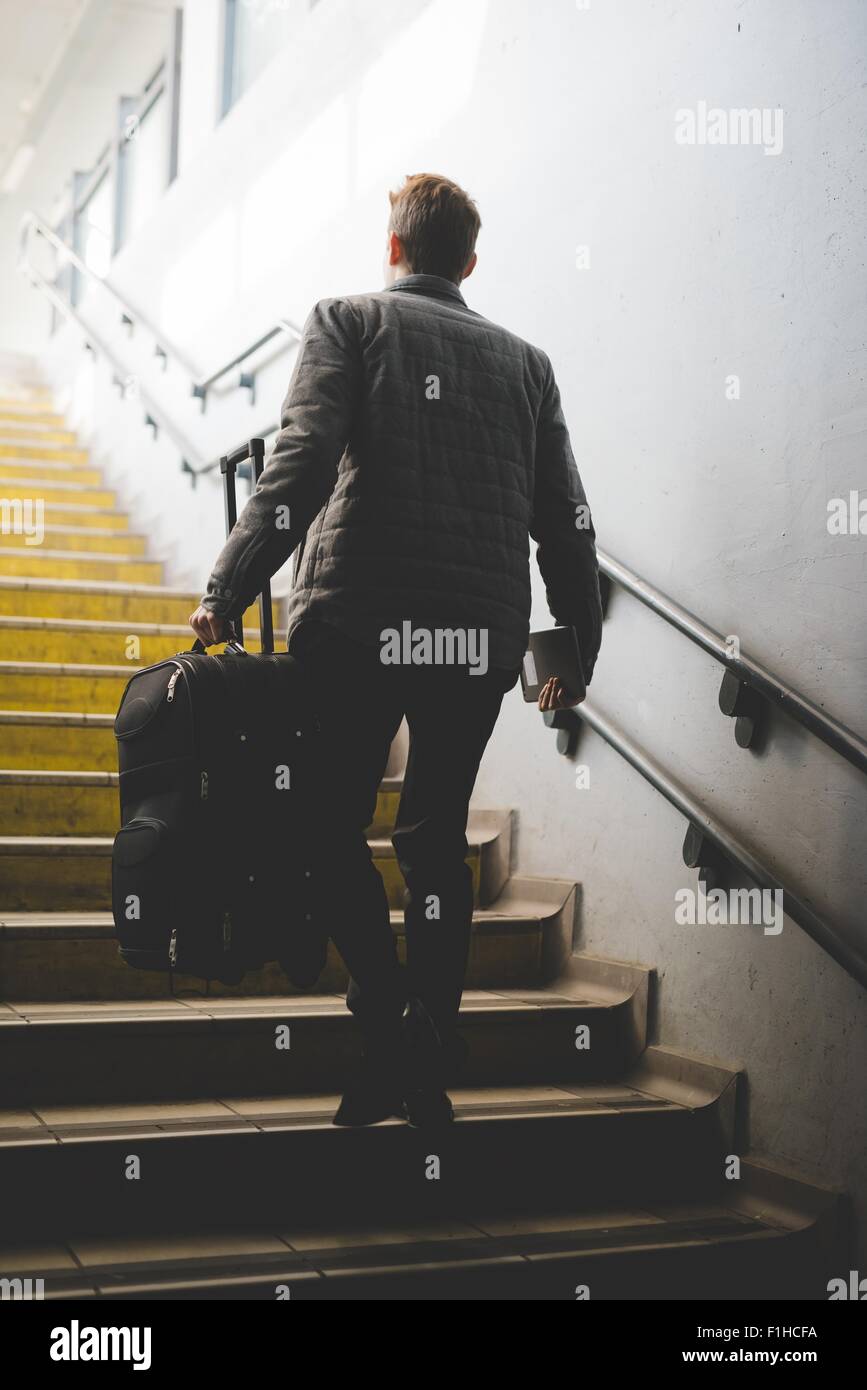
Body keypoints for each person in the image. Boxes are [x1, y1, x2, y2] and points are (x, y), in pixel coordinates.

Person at [190, 173, 603, 1128]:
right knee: (431, 843)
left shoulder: (346, 322)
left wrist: (231, 584)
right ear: (467, 262)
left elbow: (296, 467)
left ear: (391, 248)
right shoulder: (527, 365)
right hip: (474, 638)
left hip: (357, 624)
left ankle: (390, 1026)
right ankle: (425, 1045)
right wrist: (569, 649)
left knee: (328, 828)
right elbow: (568, 522)